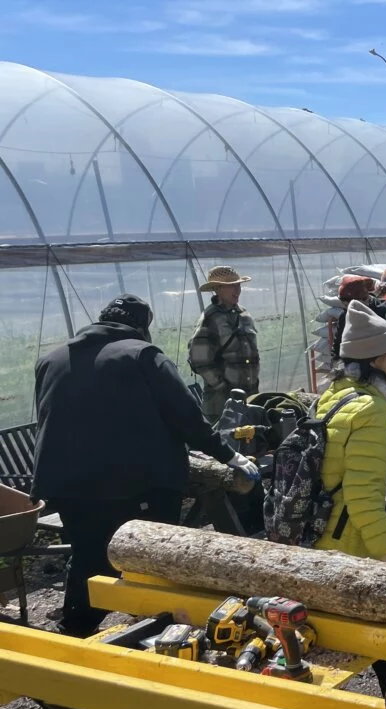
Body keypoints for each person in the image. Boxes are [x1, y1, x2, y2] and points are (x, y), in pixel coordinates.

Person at [34, 295, 257, 636]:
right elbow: (187, 419)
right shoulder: (142, 355)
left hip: (64, 485)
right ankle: (157, 632)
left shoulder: (51, 359)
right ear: (141, 327)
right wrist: (229, 455)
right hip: (133, 484)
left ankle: (73, 636)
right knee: (153, 559)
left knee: (88, 556)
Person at [312, 299, 386, 563]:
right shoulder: (371, 409)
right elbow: (363, 498)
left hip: (319, 529)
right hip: (348, 543)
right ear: (375, 360)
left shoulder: (333, 394)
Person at [188, 265, 260, 422]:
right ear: (217, 289)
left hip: (249, 396)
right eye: (230, 286)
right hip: (222, 404)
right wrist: (223, 388)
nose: (237, 290)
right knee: (227, 442)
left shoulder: (244, 314)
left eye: (238, 285)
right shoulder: (210, 318)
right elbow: (199, 361)